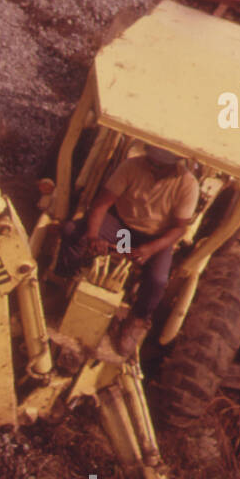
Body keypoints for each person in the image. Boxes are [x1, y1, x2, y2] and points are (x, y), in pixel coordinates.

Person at [59, 144, 199, 357]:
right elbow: (101, 204)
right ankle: (67, 281)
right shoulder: (131, 166)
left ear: (175, 165)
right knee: (71, 231)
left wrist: (150, 249)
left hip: (156, 237)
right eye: (151, 160)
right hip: (121, 227)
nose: (152, 166)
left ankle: (137, 320)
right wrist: (93, 236)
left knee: (158, 279)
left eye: (159, 165)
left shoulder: (188, 185)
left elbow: (179, 228)